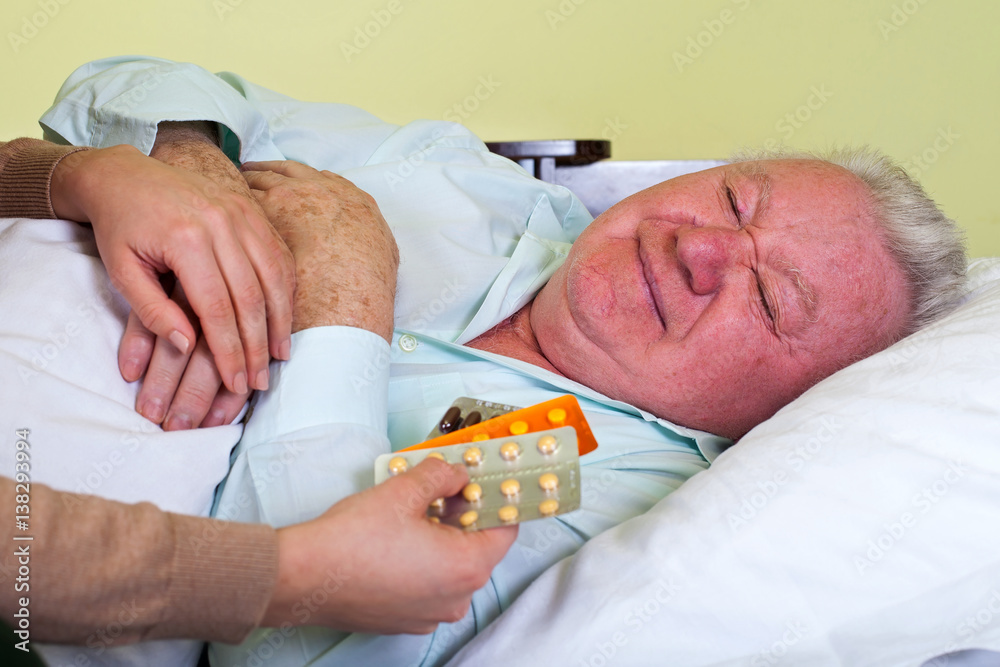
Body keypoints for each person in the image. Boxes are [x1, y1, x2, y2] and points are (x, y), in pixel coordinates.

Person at [3, 55, 967, 666]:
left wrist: (344, 301)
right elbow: (144, 83)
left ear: (778, 409)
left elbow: (293, 636)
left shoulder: (573, 467)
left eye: (767, 298)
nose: (702, 249)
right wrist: (192, 163)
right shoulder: (478, 184)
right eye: (732, 200)